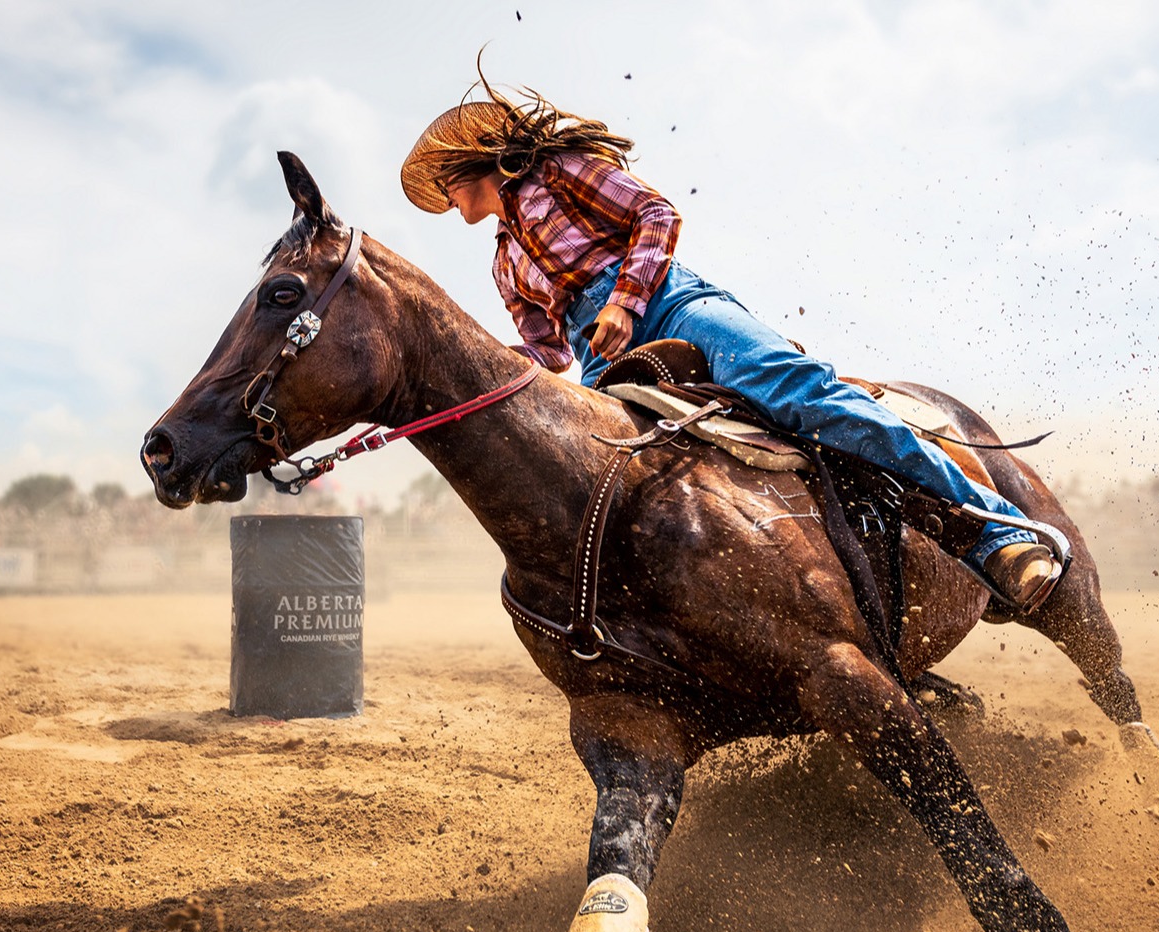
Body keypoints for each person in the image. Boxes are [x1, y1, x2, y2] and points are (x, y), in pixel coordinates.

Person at [399, 81, 1061, 610]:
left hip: (673, 304)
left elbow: (655, 216)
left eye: (446, 183)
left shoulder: (562, 172)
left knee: (800, 394)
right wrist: (501, 369)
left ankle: (999, 532)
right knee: (601, 483)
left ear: (473, 163)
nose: (445, 198)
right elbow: (548, 353)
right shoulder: (505, 264)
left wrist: (627, 302)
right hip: (602, 355)